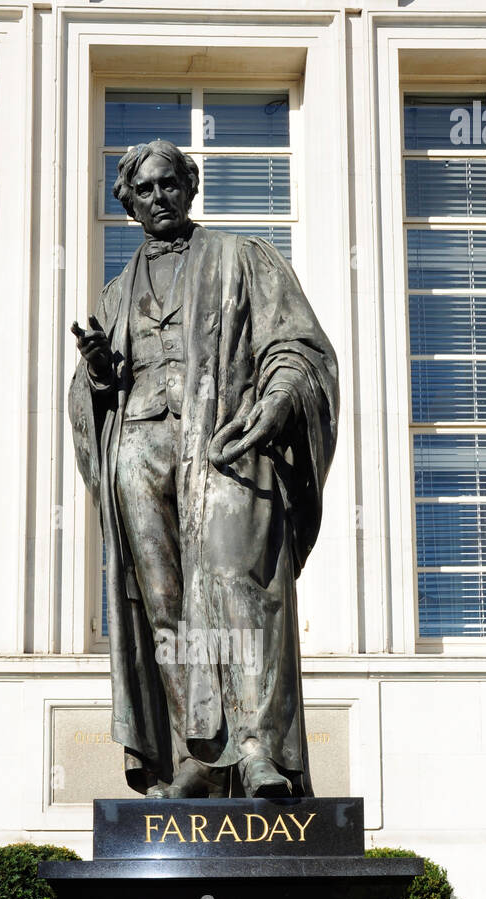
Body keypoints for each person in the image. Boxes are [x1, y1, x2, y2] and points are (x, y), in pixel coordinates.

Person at [70, 139, 338, 799]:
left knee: (238, 592)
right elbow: (88, 396)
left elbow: (298, 345)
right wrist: (100, 376)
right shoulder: (113, 294)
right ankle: (196, 756)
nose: (158, 197)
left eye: (170, 184)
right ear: (127, 203)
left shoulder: (243, 260)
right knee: (165, 609)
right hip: (138, 448)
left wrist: (277, 403)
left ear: (189, 188)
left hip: (223, 443)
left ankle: (254, 750)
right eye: (144, 190)